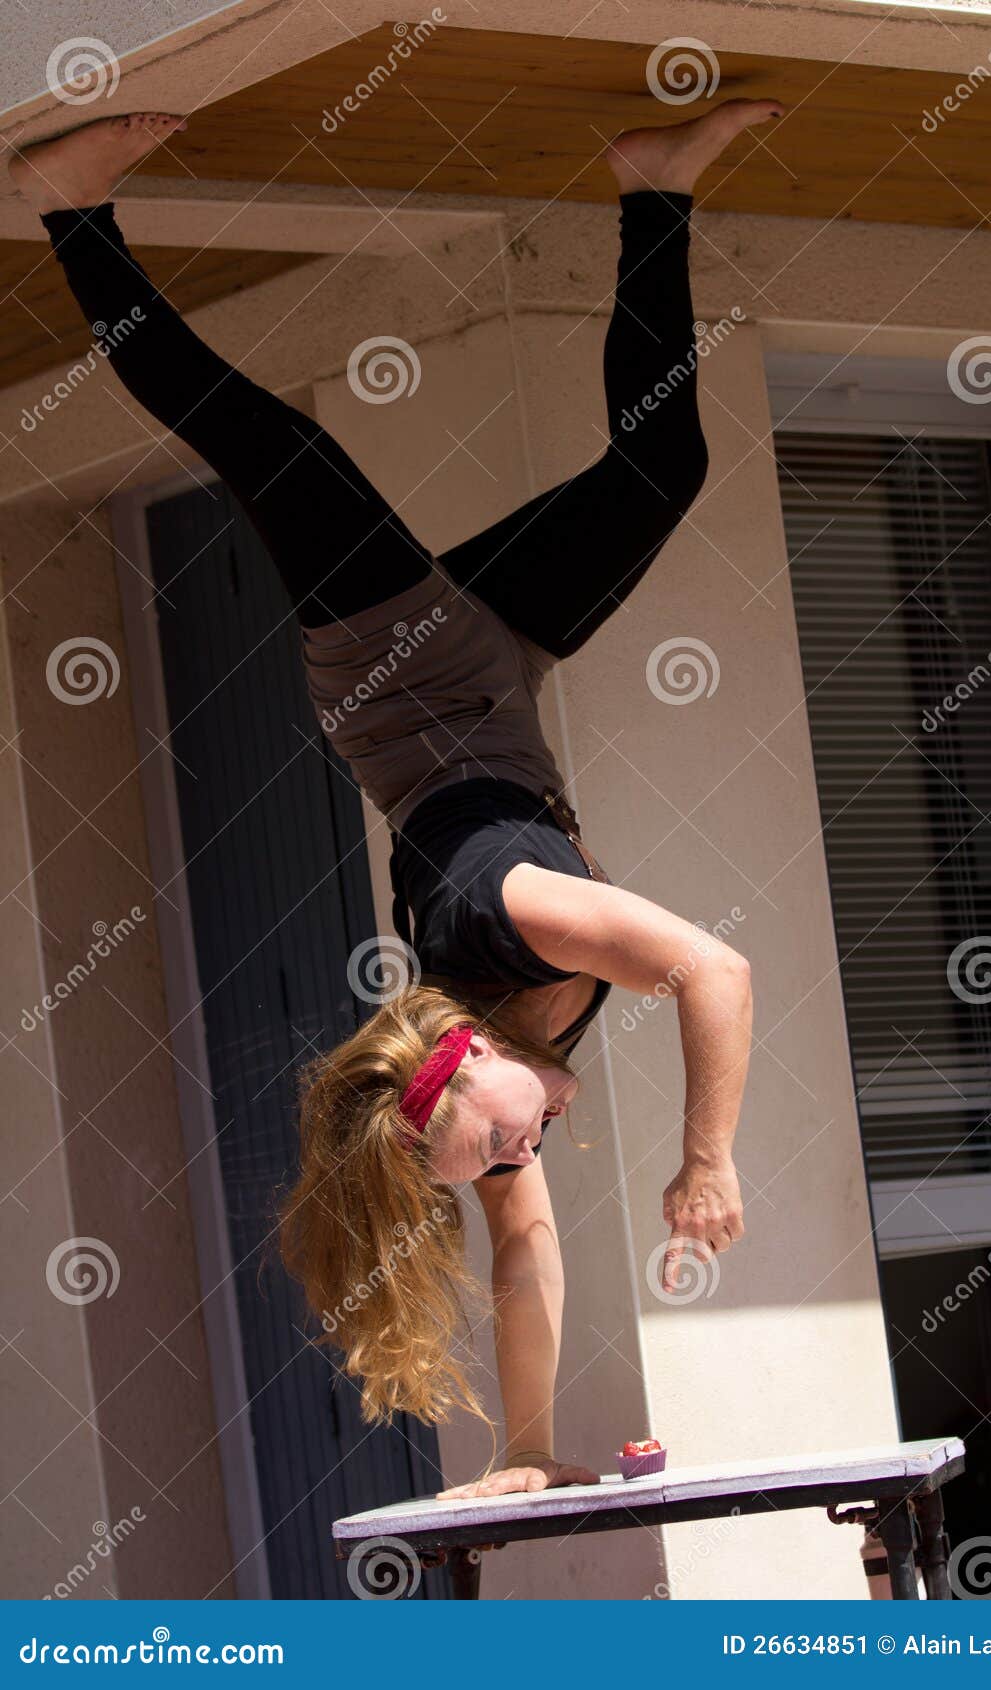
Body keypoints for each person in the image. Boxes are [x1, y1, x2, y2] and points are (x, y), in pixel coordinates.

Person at [12, 94, 777, 1499]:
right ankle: (652, 183)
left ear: (453, 1062)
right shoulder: (478, 1076)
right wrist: (528, 1454)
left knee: (268, 451)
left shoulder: (503, 916)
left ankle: (70, 210)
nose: (522, 1146)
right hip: (493, 659)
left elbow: (713, 968)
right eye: (498, 1152)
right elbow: (529, 1249)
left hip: (394, 661)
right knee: (664, 463)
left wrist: (705, 1161)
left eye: (497, 1138)